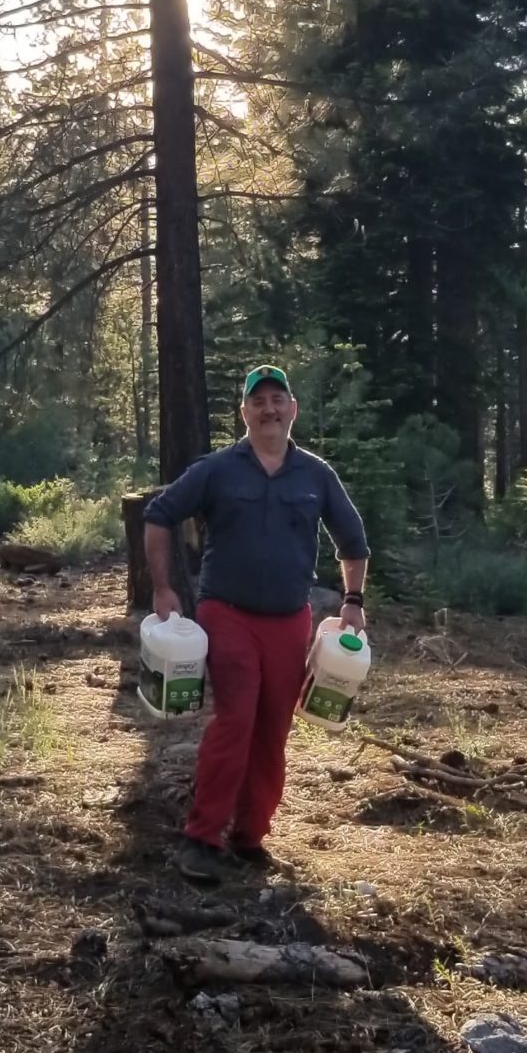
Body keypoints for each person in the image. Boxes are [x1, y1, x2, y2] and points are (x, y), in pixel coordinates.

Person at [143, 364, 369, 879]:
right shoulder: (218, 469)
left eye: (277, 399)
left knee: (274, 728)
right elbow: (159, 515)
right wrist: (162, 586)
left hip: (290, 620)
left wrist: (353, 599)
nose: (269, 409)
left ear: (292, 409)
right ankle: (201, 836)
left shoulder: (316, 475)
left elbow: (353, 543)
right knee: (237, 717)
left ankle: (249, 836)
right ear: (244, 413)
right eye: (258, 401)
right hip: (228, 612)